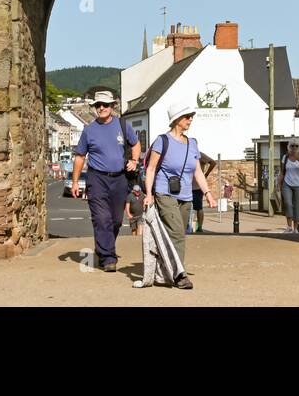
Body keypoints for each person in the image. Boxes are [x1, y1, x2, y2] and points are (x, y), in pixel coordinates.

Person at [143, 102, 217, 289]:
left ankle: (164, 271)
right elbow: (151, 169)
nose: (190, 119)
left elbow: (197, 172)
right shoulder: (162, 141)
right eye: (187, 116)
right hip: (164, 192)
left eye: (191, 116)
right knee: (177, 233)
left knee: (175, 233)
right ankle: (180, 274)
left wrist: (208, 193)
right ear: (176, 120)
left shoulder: (193, 143)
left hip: (186, 196)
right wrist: (149, 194)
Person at [70, 89, 140, 272]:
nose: (101, 108)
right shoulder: (89, 130)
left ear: (112, 106)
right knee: (102, 219)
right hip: (97, 179)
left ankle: (102, 249)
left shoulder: (123, 126)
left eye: (105, 105)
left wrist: (134, 160)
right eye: (98, 105)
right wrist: (76, 182)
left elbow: (136, 144)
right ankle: (109, 257)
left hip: (119, 179)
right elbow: (79, 157)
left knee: (116, 220)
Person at [277, 140, 299, 233]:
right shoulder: (286, 157)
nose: (294, 148)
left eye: (296, 146)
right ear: (289, 146)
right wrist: (279, 184)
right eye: (292, 146)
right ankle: (289, 226)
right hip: (287, 184)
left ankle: (295, 228)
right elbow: (282, 172)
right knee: (288, 204)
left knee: (297, 206)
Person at [185, 152, 217, 234]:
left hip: (197, 186)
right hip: (186, 186)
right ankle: (187, 226)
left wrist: (206, 174)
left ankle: (199, 227)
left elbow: (213, 162)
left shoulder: (200, 154)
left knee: (198, 208)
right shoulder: (185, 152)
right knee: (186, 207)